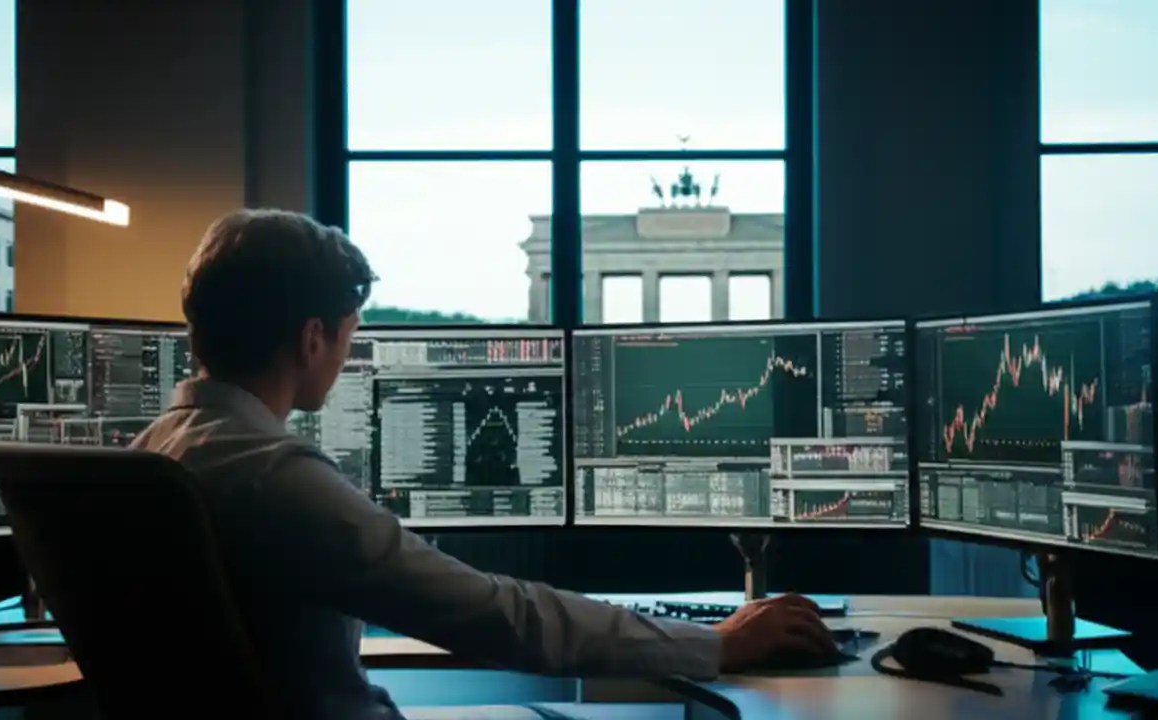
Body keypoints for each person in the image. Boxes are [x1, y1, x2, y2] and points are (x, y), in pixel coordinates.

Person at [132, 209, 838, 720]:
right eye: (350, 337)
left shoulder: (153, 454)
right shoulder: (274, 479)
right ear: (312, 339)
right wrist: (713, 643)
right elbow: (502, 618)